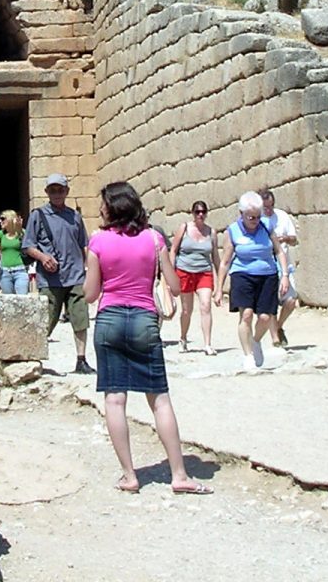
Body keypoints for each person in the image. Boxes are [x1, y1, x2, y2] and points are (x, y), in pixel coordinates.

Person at [85, 181, 211, 496]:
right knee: (160, 399)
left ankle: (129, 476)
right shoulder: (154, 239)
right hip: (143, 319)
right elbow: (175, 285)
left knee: (115, 399)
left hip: (110, 319)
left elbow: (90, 295)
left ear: (112, 208)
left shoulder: (98, 240)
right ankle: (179, 474)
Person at [24, 173, 93, 375]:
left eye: (60, 190)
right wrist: (43, 257)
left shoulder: (75, 217)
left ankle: (81, 359)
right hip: (50, 278)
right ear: (46, 192)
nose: (57, 194)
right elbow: (28, 245)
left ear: (67, 192)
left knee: (80, 319)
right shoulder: (38, 215)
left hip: (75, 275)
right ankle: (33, 358)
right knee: (47, 319)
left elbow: (84, 247)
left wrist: (90, 271)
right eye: (53, 190)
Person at [214, 191, 288, 374]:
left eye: (257, 216)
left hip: (268, 274)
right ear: (241, 214)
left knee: (264, 317)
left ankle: (255, 341)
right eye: (251, 217)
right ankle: (248, 356)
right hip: (242, 274)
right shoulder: (233, 230)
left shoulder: (266, 226)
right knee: (246, 315)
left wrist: (284, 274)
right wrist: (218, 288)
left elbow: (279, 251)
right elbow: (225, 262)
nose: (255, 220)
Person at [170, 201, 218, 354]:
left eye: (203, 212)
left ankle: (208, 344)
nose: (201, 215)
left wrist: (220, 279)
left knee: (205, 305)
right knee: (186, 310)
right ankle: (183, 338)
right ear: (192, 213)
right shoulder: (184, 228)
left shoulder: (211, 232)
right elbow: (173, 250)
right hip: (184, 271)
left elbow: (215, 256)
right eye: (197, 212)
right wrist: (171, 273)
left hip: (204, 272)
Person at [261, 188, 299, 347]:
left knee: (291, 300)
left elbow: (294, 239)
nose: (268, 210)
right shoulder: (256, 220)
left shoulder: (282, 216)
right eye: (265, 207)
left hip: (284, 266)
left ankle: (278, 326)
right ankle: (275, 338)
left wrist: (284, 238)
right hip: (266, 266)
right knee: (271, 304)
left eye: (270, 206)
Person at [0, 210, 29, 294]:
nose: (0, 221)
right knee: (8, 300)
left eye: (3, 219)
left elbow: (27, 245)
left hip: (20, 270)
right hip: (5, 271)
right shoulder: (0, 234)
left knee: (22, 298)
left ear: (10, 219)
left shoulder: (22, 232)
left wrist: (20, 230)